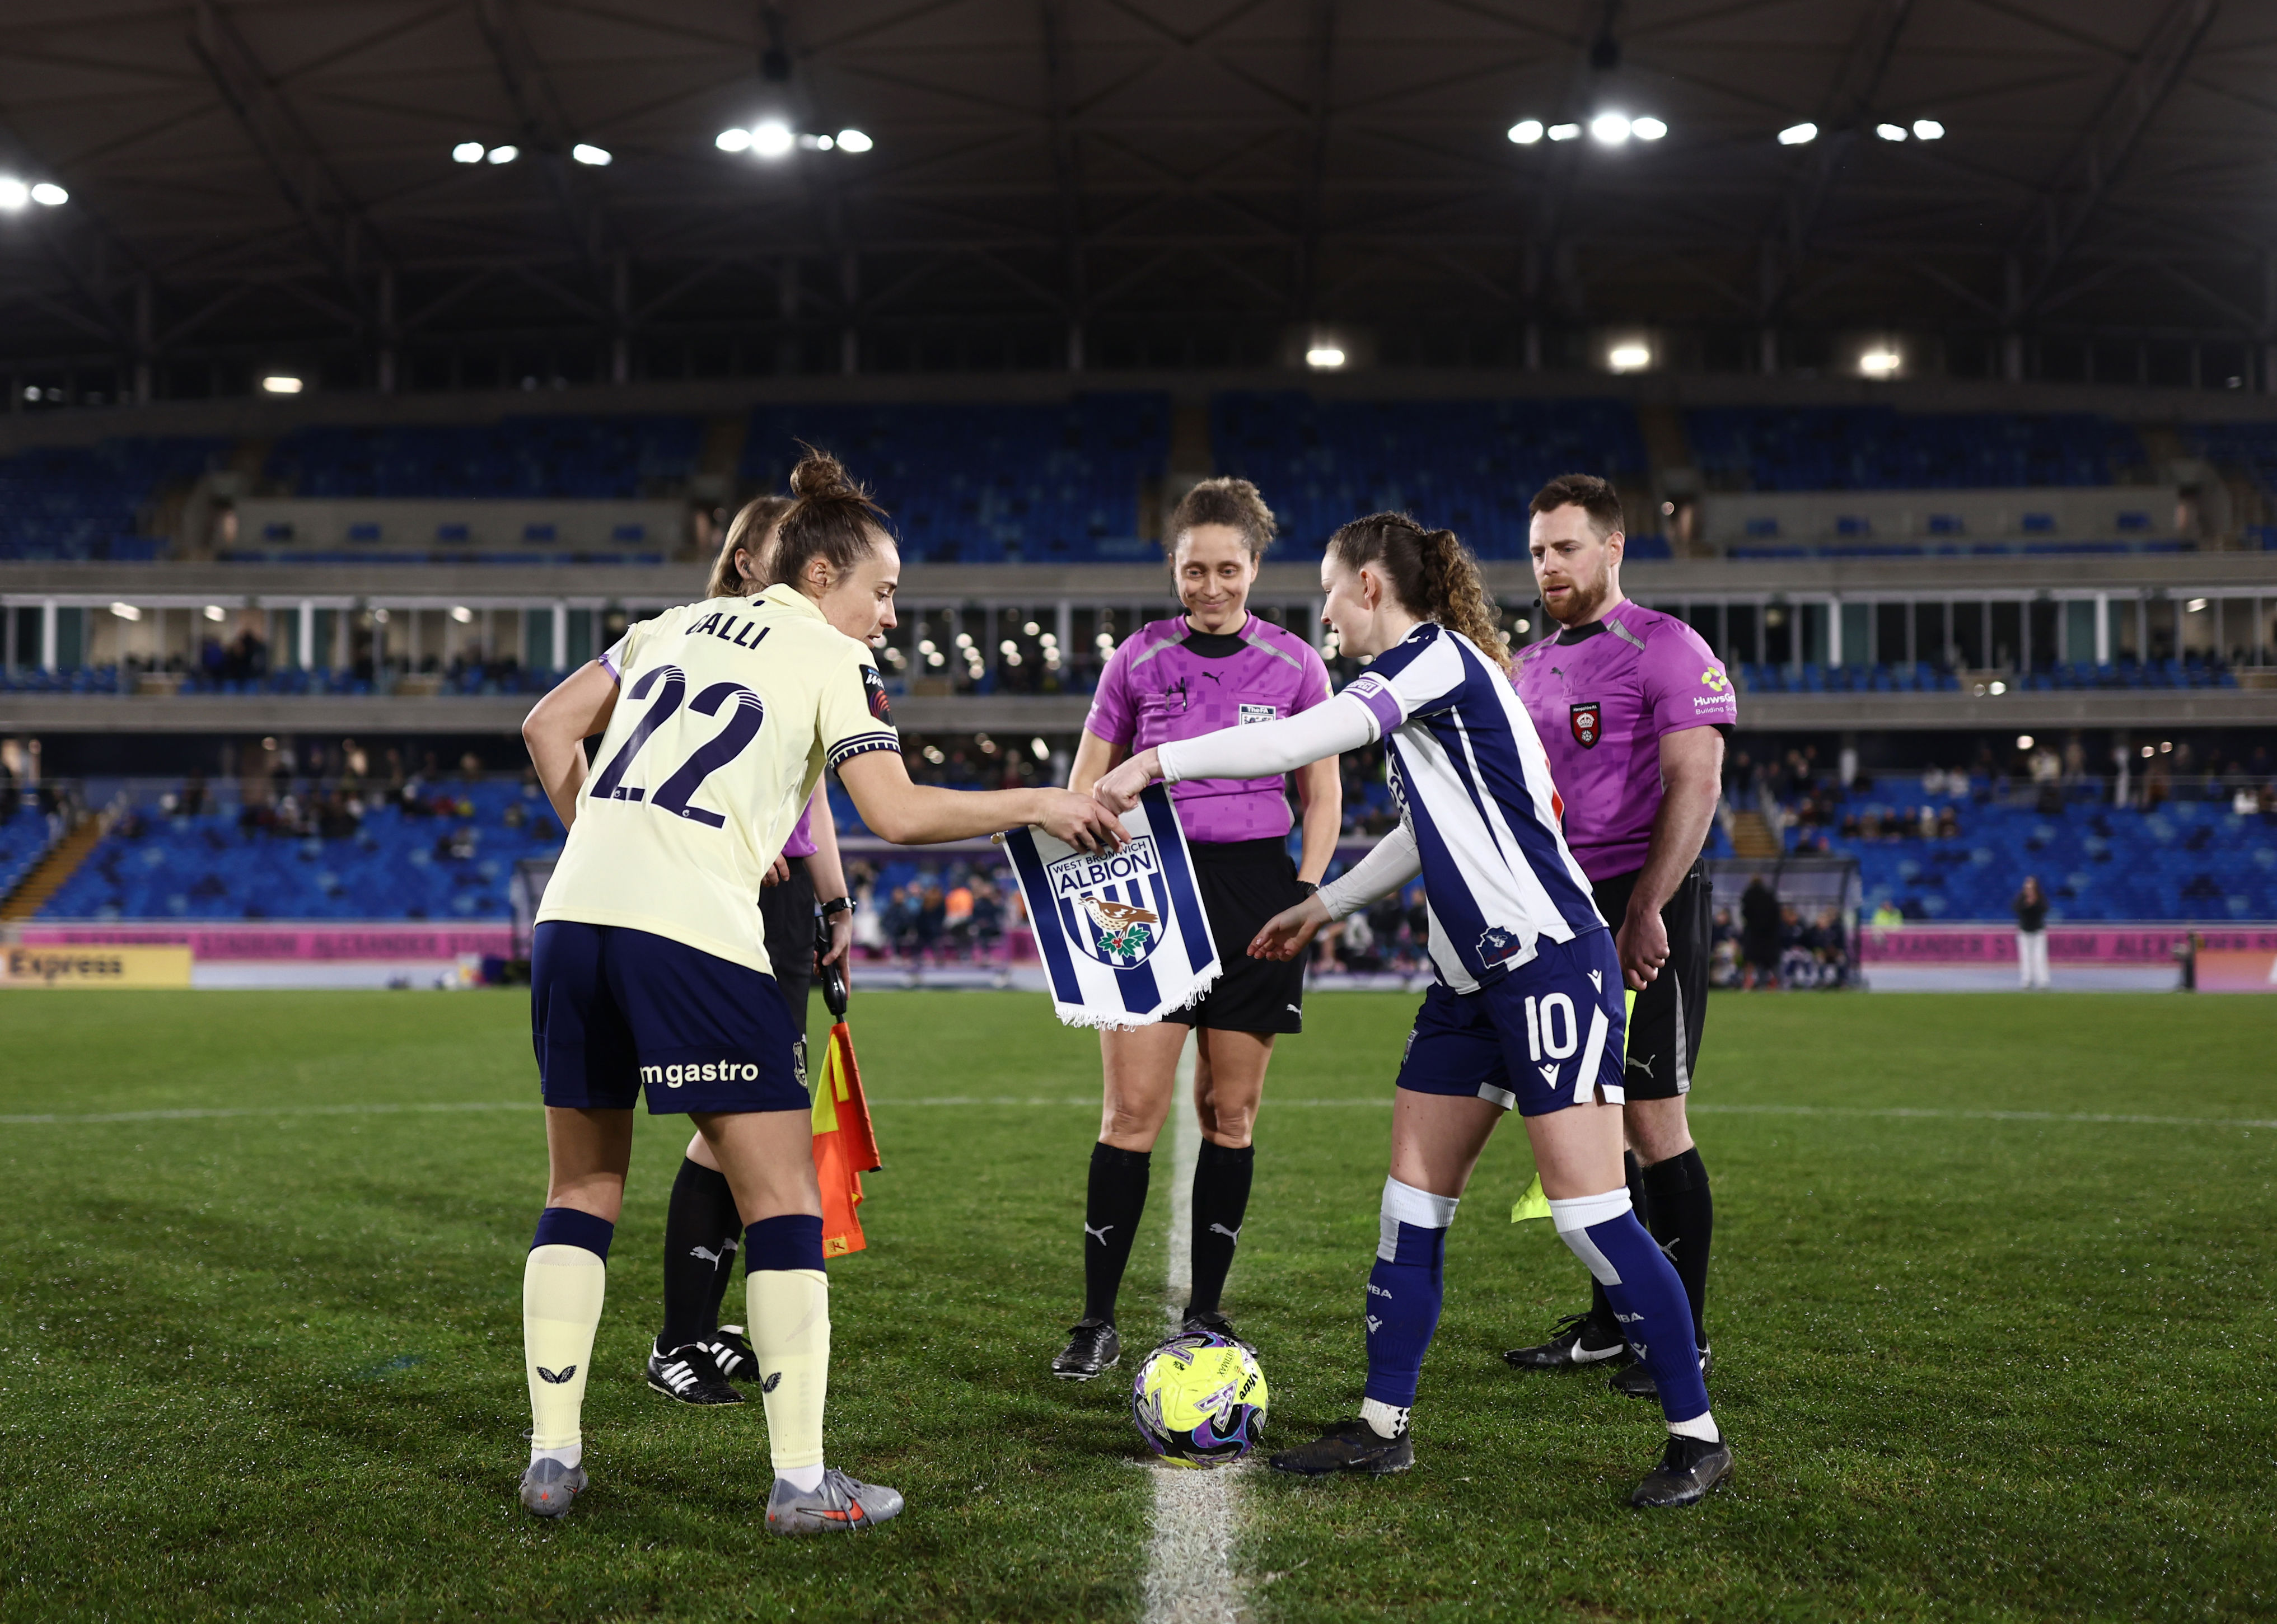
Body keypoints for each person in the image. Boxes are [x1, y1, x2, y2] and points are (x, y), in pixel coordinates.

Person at [515, 450, 1123, 1528]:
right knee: (784, 1199)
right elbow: (893, 811)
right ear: (824, 576)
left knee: (580, 1191)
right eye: (883, 592)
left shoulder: (666, 627)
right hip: (692, 936)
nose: (887, 617)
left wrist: (618, 844)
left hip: (571, 922)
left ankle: (552, 1461)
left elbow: (546, 726)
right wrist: (1036, 798)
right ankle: (800, 1482)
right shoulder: (826, 655)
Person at [1094, 511, 1730, 1509]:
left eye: (1332, 590)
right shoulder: (1423, 687)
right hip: (1465, 987)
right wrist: (1323, 902)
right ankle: (1382, 1427)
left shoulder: (1437, 662)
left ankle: (1696, 1435)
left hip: (1548, 966)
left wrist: (1159, 761)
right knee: (1409, 1210)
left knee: (1591, 1215)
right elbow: (1418, 831)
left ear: (1371, 590)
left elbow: (1320, 734)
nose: (1326, 613)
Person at [1052, 476, 1340, 1380]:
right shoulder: (1135, 660)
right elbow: (1085, 779)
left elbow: (1321, 794)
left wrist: (1304, 890)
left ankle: (1207, 1309)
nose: (1208, 587)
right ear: (1172, 568)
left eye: (1226, 569)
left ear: (1254, 567)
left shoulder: (1298, 664)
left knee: (1231, 1111)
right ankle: (1096, 1318)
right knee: (1130, 1111)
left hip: (1260, 890)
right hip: (1150, 891)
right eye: (1192, 570)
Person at [1500, 474, 1732, 1400]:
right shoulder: (1527, 665)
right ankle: (1609, 1324)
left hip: (1649, 900)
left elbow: (1698, 786)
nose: (1549, 566)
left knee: (1651, 1121)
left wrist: (1643, 908)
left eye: (1565, 547)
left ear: (1612, 547)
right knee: (1586, 1129)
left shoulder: (1666, 648)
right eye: (1537, 552)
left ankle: (1686, 1337)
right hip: (1560, 908)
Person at [643, 492, 861, 1408]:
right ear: (747, 564)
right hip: (729, 898)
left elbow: (814, 791)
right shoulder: (707, 643)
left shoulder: (796, 661)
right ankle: (677, 1339)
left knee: (751, 1127)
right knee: (730, 1127)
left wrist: (835, 898)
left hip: (784, 915)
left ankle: (697, 1327)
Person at [2014, 874, 2050, 989]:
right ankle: (2027, 980)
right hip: (2025, 932)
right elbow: (2016, 908)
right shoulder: (2021, 898)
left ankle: (2043, 981)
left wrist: (2034, 903)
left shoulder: (2040, 898)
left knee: (2040, 957)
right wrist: (2027, 904)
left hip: (2038, 932)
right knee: (2026, 957)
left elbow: (2045, 909)